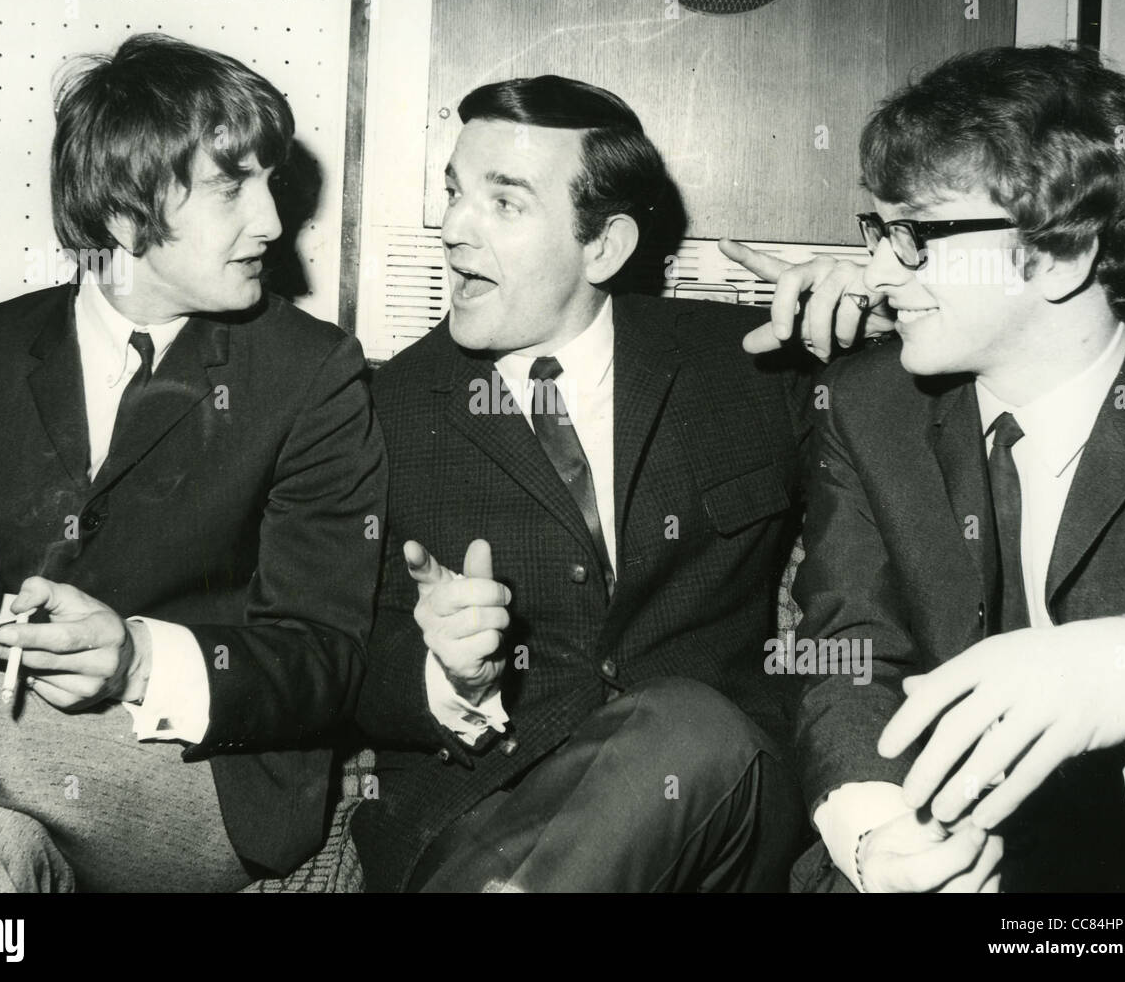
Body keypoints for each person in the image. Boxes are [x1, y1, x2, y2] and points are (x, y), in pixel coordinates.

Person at [0, 33, 387, 892]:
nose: (271, 219)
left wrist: (138, 659)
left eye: (269, 180)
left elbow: (327, 656)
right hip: (6, 769)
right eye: (232, 186)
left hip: (203, 783)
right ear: (124, 210)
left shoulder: (313, 373)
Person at [351, 74, 820, 892]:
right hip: (479, 823)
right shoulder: (378, 413)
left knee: (689, 719)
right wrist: (445, 675)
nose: (454, 228)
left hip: (718, 810)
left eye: (505, 202)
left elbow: (919, 504)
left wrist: (887, 330)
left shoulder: (749, 364)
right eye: (455, 192)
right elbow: (324, 660)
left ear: (603, 246)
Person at [784, 44, 1125, 892]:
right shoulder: (869, 402)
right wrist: (876, 836)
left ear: (1063, 255)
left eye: (916, 233)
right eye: (879, 231)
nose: (880, 272)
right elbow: (846, 652)